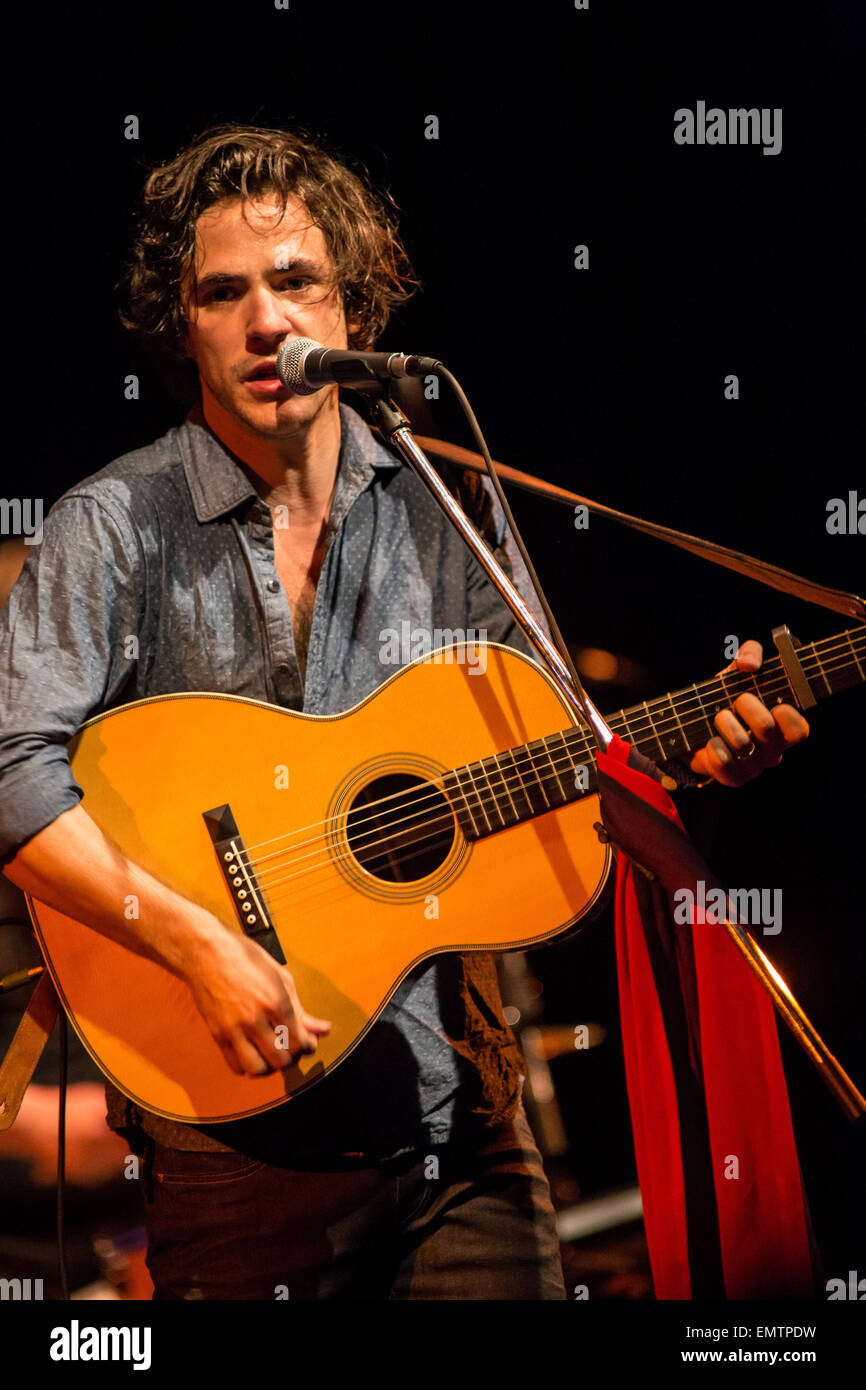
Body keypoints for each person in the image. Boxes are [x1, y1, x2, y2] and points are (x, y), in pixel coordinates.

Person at [0, 124, 809, 1300]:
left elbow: (553, 758)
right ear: (181, 325)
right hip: (232, 1156)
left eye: (296, 283)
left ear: (354, 311)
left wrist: (685, 762)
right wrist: (200, 942)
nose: (266, 321)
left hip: (459, 1121)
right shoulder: (112, 525)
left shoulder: (445, 499)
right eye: (223, 292)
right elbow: (12, 771)